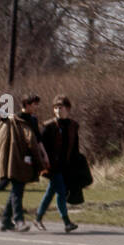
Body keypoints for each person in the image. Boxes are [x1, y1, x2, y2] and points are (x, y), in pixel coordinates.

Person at [0, 94, 46, 232]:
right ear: (26, 105)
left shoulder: (33, 120)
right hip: (15, 160)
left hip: (27, 161)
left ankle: (5, 221)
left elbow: (37, 140)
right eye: (34, 104)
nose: (36, 107)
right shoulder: (14, 120)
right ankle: (19, 220)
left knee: (17, 189)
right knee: (17, 189)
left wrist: (44, 155)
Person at [33, 95, 81, 233]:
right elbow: (40, 144)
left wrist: (75, 164)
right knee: (60, 192)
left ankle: (38, 218)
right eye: (56, 108)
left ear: (68, 109)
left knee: (50, 192)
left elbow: (75, 147)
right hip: (52, 165)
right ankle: (66, 222)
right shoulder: (49, 126)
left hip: (65, 165)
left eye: (61, 107)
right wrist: (44, 161)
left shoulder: (73, 126)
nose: (58, 110)